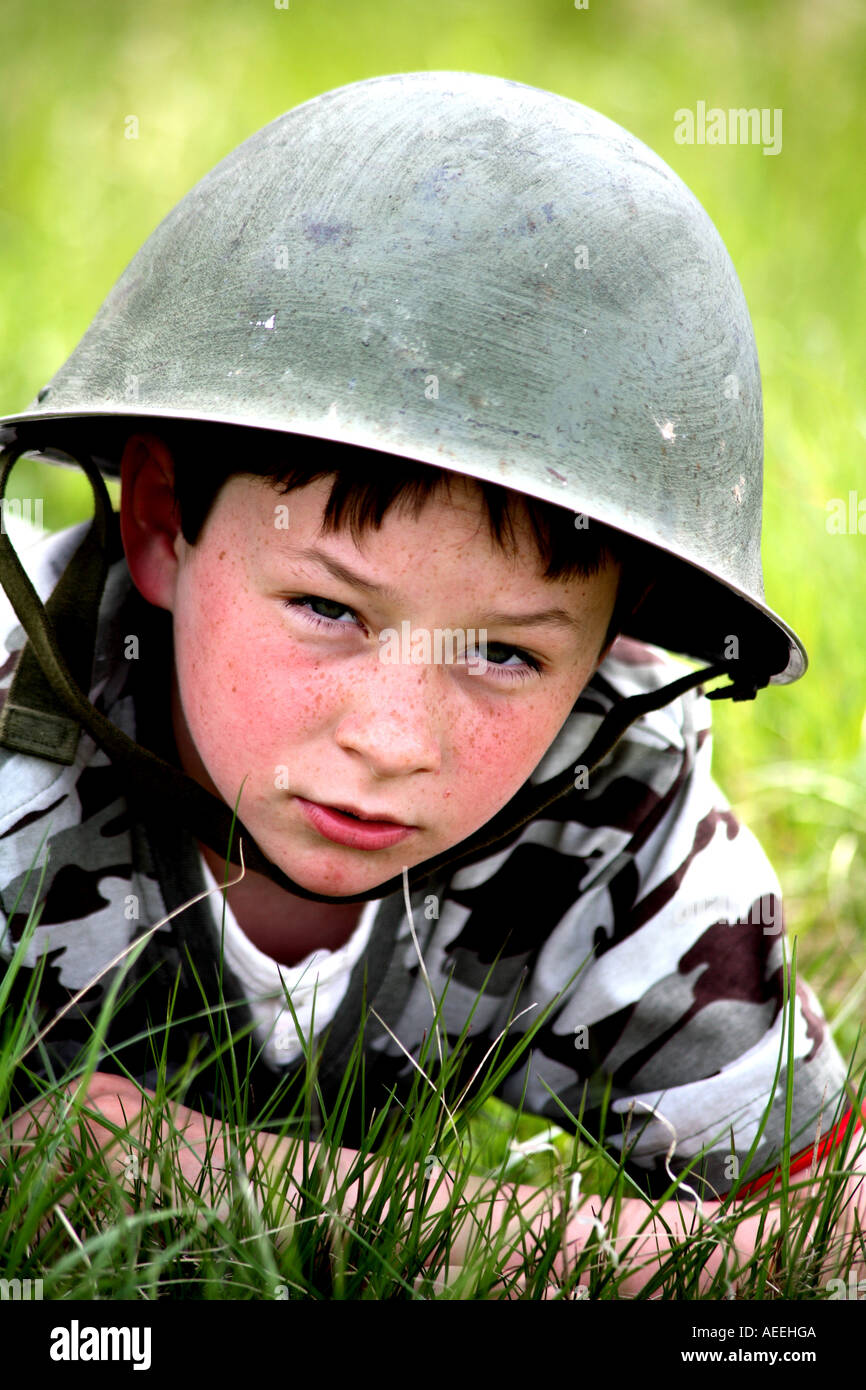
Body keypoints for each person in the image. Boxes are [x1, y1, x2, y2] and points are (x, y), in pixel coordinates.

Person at [0, 71, 861, 1293]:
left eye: (507, 653)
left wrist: (195, 1174)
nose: (397, 739)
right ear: (159, 523)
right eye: (328, 609)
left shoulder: (613, 804)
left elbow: (822, 1237)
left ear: (611, 639)